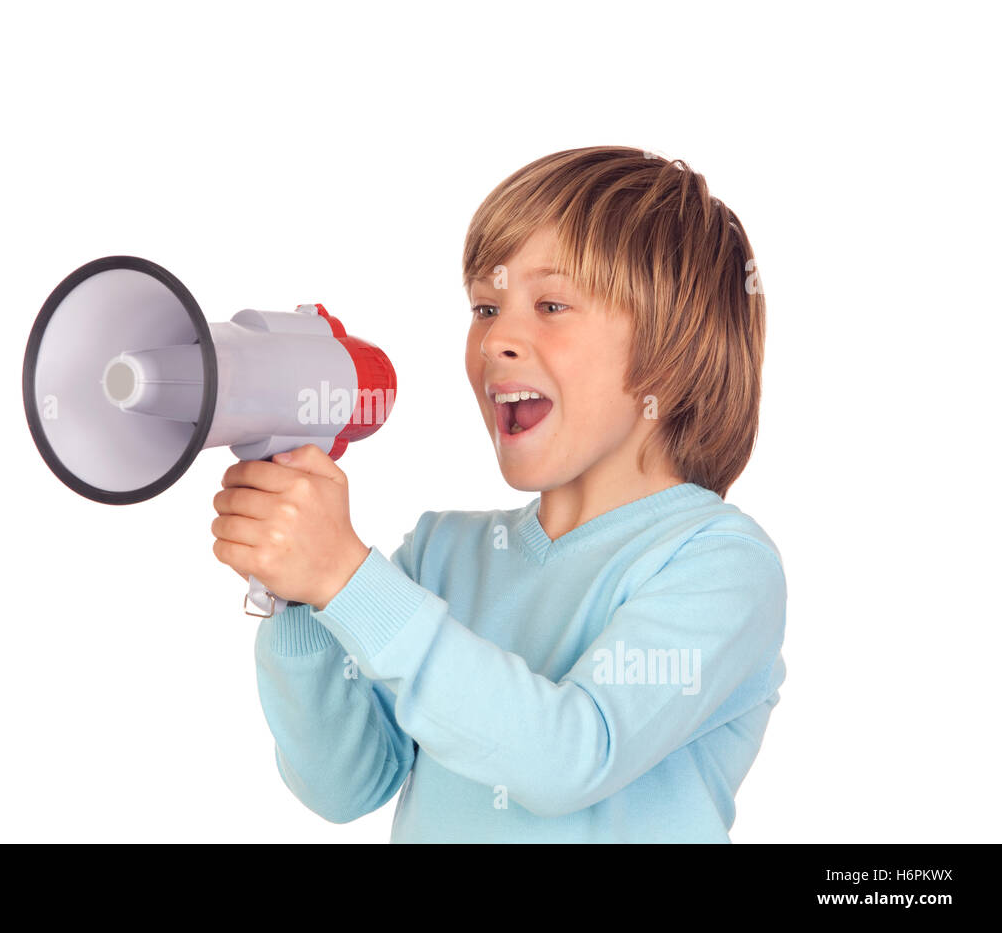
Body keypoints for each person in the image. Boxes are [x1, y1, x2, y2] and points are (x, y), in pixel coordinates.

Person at [210, 146, 786, 842]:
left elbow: (570, 757)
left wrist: (345, 578)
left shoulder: (717, 562)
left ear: (673, 345)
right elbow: (344, 784)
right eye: (486, 306)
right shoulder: (444, 552)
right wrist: (301, 598)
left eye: (550, 304)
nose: (497, 339)